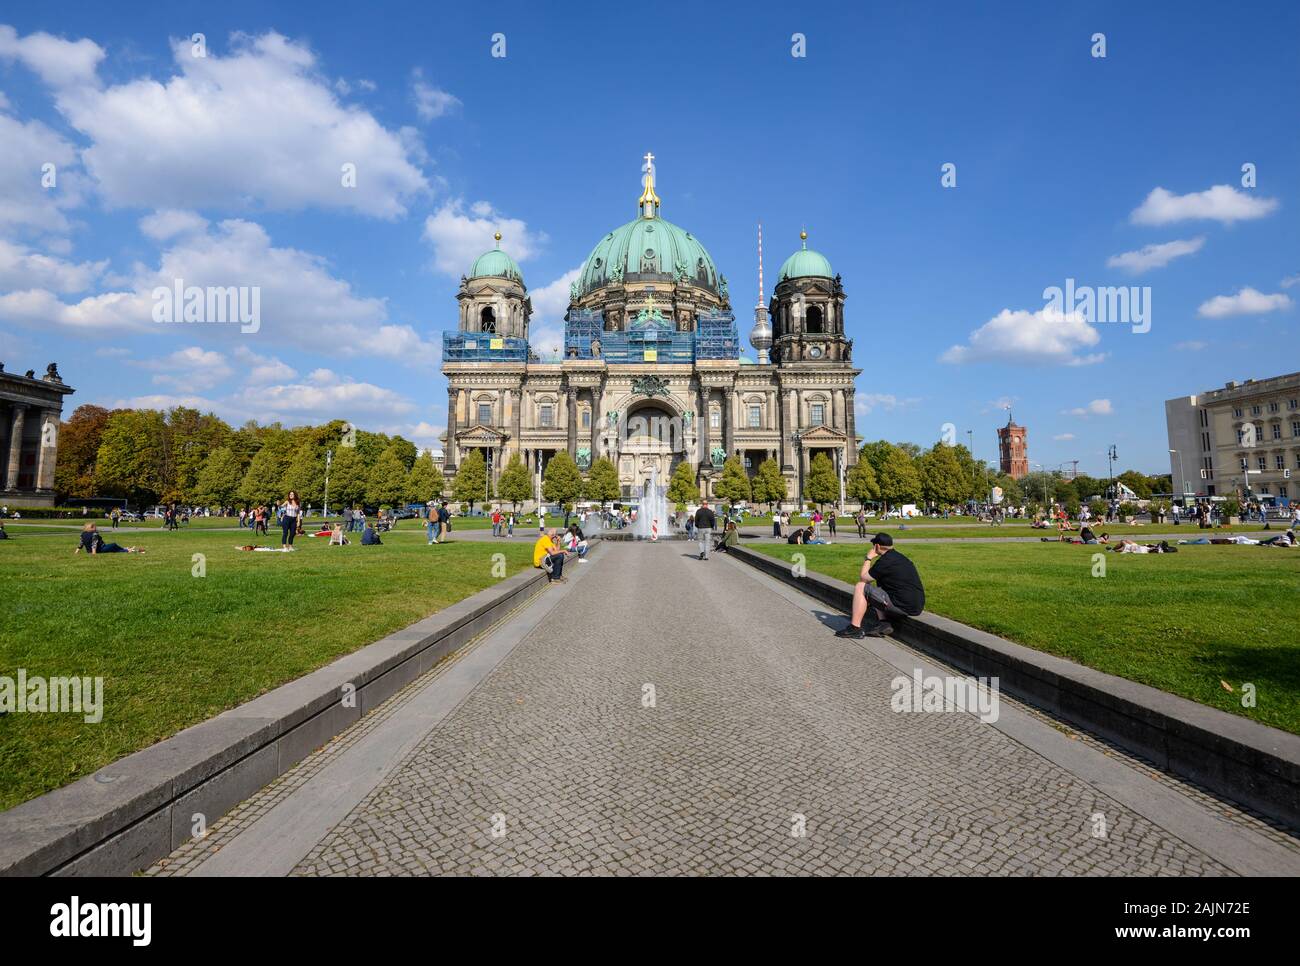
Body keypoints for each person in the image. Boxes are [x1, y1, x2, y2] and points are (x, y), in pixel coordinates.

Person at [837, 532, 924, 638]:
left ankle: (854, 628)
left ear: (877, 546)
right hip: (915, 606)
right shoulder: (899, 557)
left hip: (902, 607)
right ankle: (883, 624)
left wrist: (868, 558)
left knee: (860, 586)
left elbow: (864, 578)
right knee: (878, 589)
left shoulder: (885, 561)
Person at [75, 523, 145, 554]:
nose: (96, 528)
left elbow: (81, 543)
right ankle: (127, 549)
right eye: (95, 527)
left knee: (114, 550)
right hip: (99, 550)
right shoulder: (94, 534)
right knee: (113, 545)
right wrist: (94, 553)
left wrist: (76, 551)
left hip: (89, 551)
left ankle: (128, 550)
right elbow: (94, 544)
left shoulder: (83, 534)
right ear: (91, 528)